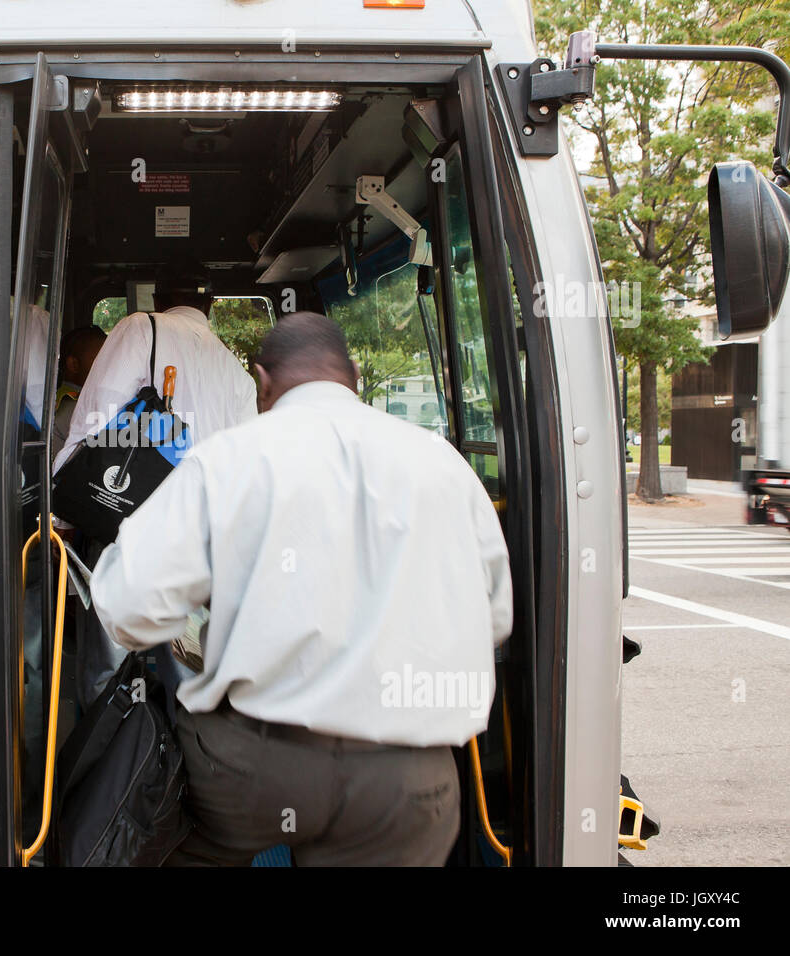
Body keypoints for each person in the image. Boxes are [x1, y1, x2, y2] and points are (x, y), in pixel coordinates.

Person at [89, 311, 513, 866]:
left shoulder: (227, 460)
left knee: (164, 838)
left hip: (253, 770)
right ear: (354, 375)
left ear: (262, 382)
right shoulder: (445, 466)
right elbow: (495, 619)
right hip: (406, 780)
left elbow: (128, 608)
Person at [53, 262, 258, 705]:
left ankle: (109, 764)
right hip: (198, 540)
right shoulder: (237, 375)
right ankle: (185, 765)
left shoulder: (140, 328)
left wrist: (64, 504)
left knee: (107, 670)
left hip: (127, 524)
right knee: (190, 671)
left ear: (158, 300)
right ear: (210, 306)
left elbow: (95, 418)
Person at [50, 325, 106, 463]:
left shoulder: (59, 398)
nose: (109, 366)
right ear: (73, 364)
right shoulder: (75, 407)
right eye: (100, 360)